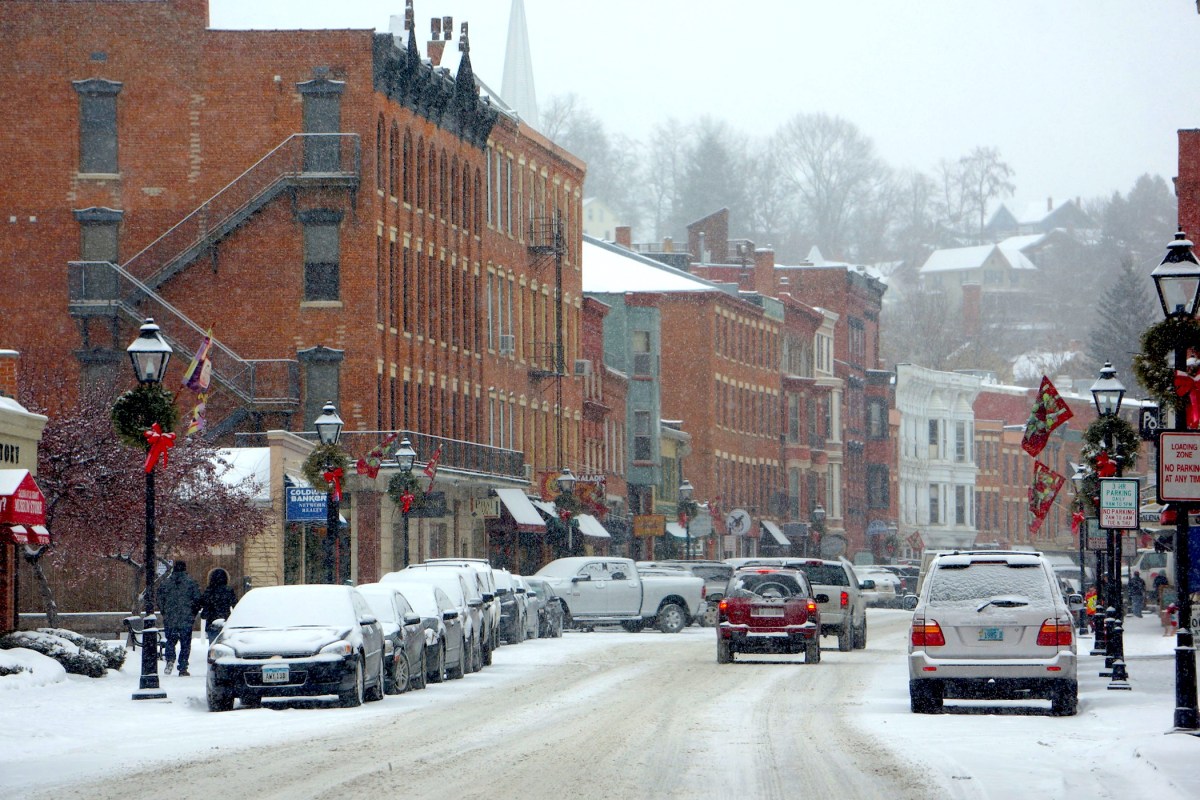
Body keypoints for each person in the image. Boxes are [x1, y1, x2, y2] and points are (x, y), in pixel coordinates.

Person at [156, 560, 200, 676]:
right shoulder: (191, 583)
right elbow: (197, 600)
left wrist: (165, 612)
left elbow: (159, 599)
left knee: (171, 641)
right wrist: (192, 614)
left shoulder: (166, 583)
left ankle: (170, 659)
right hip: (186, 618)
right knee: (185, 644)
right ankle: (183, 667)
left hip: (170, 618)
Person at [196, 567, 238, 644]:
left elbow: (202, 604)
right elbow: (235, 605)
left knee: (212, 644)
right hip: (225, 620)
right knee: (224, 644)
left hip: (211, 621)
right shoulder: (228, 590)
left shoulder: (209, 591)